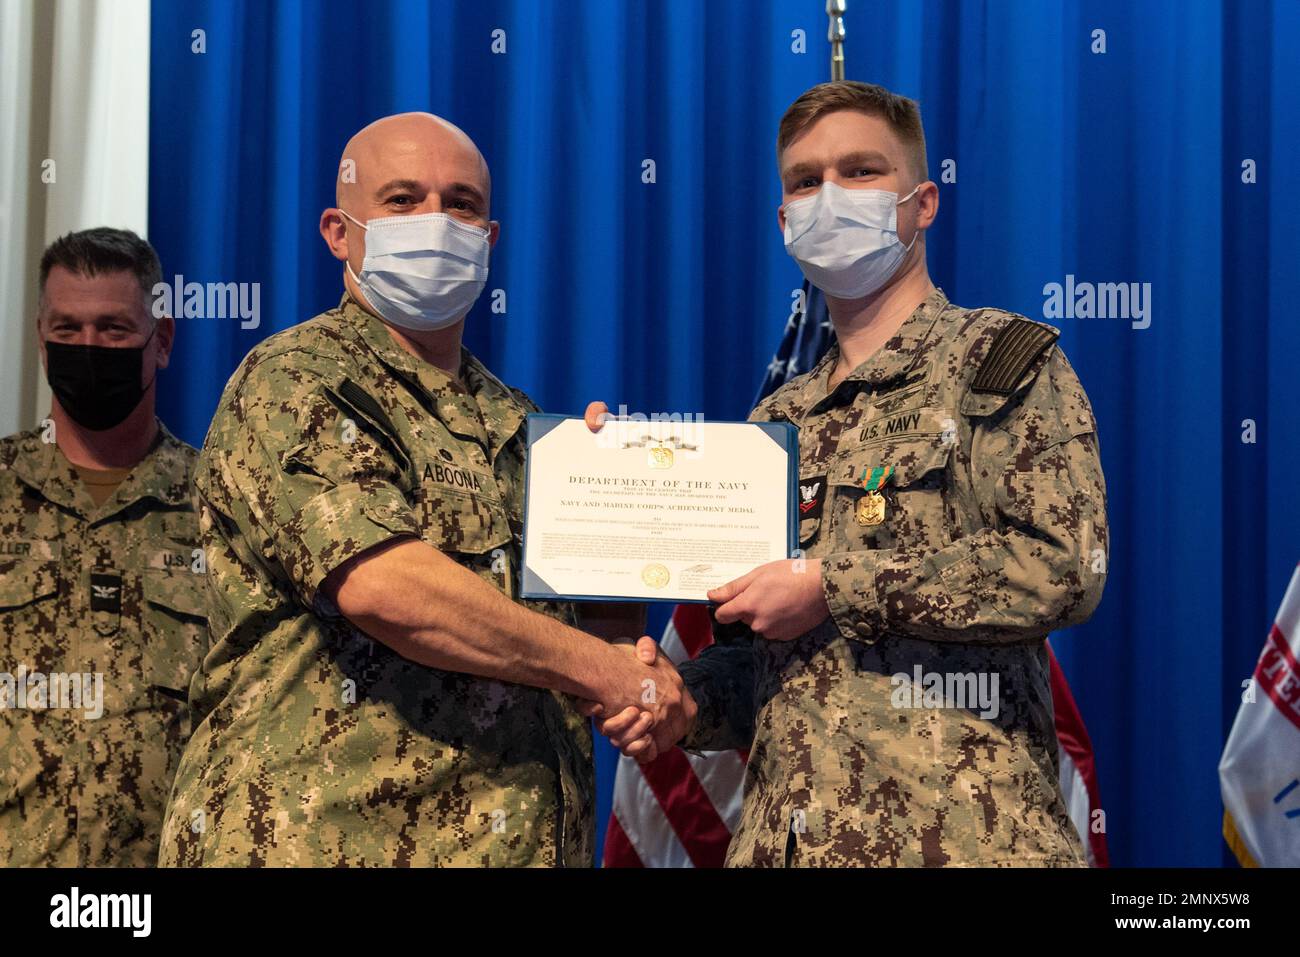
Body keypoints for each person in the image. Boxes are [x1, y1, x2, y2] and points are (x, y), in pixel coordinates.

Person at [589, 81, 1108, 867]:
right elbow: (752, 663)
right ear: (783, 220)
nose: (829, 197)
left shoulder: (1000, 363)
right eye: (805, 181)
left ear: (923, 201)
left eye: (861, 171)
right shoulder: (776, 424)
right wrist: (684, 700)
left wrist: (835, 584)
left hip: (964, 842)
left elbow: (1063, 565)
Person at [157, 112, 693, 867]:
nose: (436, 222)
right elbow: (386, 586)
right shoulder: (296, 380)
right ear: (339, 231)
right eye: (403, 199)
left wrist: (616, 497)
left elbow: (583, 627)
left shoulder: (522, 422)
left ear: (491, 237)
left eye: (462, 203)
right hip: (326, 843)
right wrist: (605, 672)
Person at [0, 228, 206, 866]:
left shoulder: (221, 509)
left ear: (161, 341)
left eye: (114, 330)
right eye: (67, 330)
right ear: (40, 340)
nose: (88, 348)